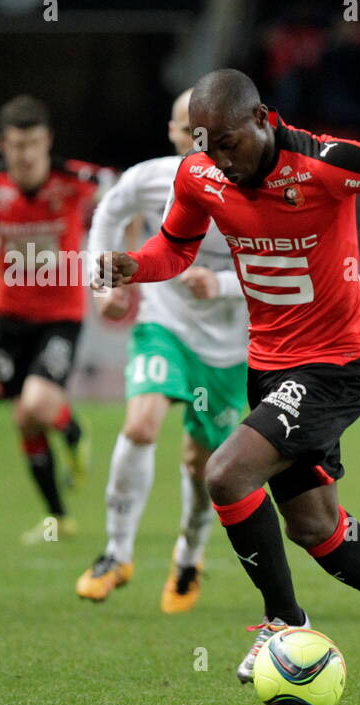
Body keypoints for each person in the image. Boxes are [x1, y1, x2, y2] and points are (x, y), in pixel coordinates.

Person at [97, 69, 360, 697]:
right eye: (203, 144)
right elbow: (175, 247)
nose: (219, 160)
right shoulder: (200, 174)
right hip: (269, 367)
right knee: (315, 529)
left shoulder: (324, 164)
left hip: (337, 364)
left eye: (229, 143)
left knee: (224, 473)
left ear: (263, 118)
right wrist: (135, 266)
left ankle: (283, 621)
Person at [76, 88, 250, 612]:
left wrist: (219, 286)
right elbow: (108, 212)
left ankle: (188, 557)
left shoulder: (252, 184)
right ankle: (116, 552)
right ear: (174, 133)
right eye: (188, 127)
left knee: (203, 464)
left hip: (228, 344)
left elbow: (282, 265)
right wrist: (102, 282)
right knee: (140, 424)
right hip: (164, 324)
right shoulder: (149, 178)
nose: (199, 137)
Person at [0, 95, 109, 544]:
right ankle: (58, 518)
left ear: (48, 141)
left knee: (38, 404)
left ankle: (74, 430)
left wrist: (116, 247)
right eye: (17, 145)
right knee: (23, 418)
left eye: (34, 144)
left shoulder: (78, 179)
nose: (26, 155)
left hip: (61, 315)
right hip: (9, 316)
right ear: (3, 144)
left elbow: (123, 192)